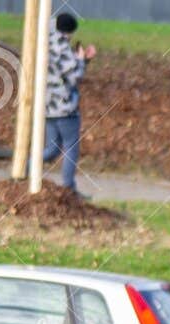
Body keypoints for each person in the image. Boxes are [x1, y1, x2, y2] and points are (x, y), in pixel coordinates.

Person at [44, 12, 95, 194]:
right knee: (71, 147)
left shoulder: (46, 39)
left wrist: (82, 61)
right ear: (68, 32)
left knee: (51, 149)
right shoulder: (61, 47)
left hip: (48, 106)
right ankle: (69, 189)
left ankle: (23, 171)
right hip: (64, 107)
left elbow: (62, 70)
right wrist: (81, 60)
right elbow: (74, 77)